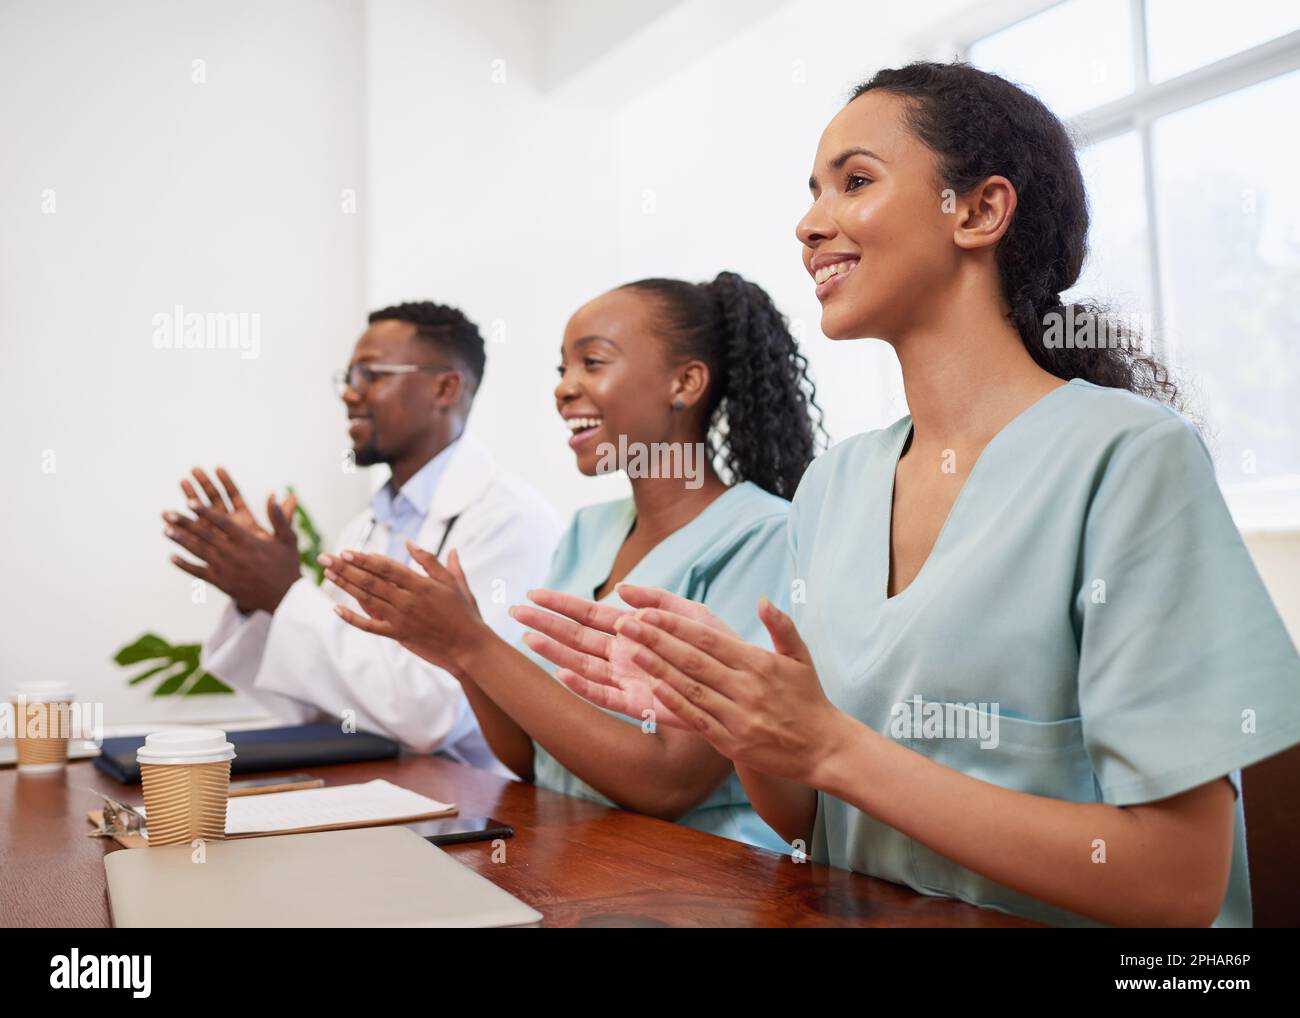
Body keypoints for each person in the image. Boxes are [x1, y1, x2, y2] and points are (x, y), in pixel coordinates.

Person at [522, 62, 1300, 926]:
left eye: (854, 182)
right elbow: (808, 820)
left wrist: (834, 746)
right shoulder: (835, 486)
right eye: (813, 192)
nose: (810, 225)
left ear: (979, 211)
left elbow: (1178, 881)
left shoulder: (1127, 458)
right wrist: (739, 715)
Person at [319, 273, 824, 851]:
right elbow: (534, 759)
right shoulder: (589, 531)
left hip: (699, 881)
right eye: (563, 369)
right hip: (579, 858)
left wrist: (472, 645)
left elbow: (669, 785)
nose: (564, 389)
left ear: (684, 382)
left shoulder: (763, 536)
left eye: (593, 362)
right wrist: (459, 653)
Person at [162, 301, 561, 773]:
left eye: (371, 375)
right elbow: (323, 704)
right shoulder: (367, 527)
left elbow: (436, 715)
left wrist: (284, 593)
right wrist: (260, 600)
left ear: (444, 387)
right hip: (375, 787)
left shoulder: (510, 519)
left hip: (477, 807)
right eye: (348, 378)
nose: (350, 395)